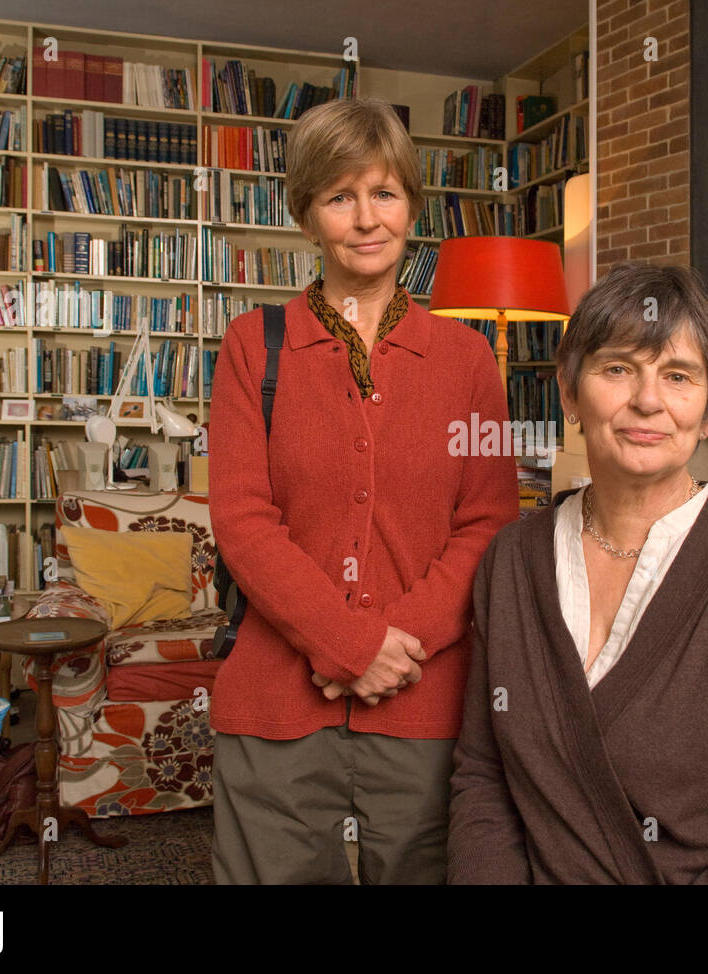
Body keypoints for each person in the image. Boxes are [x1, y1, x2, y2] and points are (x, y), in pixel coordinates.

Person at [447, 261, 708, 884]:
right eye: (617, 369)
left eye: (678, 376)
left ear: (707, 412)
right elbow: (483, 779)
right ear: (569, 391)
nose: (648, 400)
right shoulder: (511, 563)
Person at [208, 96, 518, 884]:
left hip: (425, 701)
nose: (366, 217)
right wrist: (350, 645)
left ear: (412, 206)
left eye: (384, 193)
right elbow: (242, 521)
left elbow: (486, 524)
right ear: (307, 217)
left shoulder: (467, 359)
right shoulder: (253, 346)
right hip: (275, 703)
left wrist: (392, 648)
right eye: (339, 196)